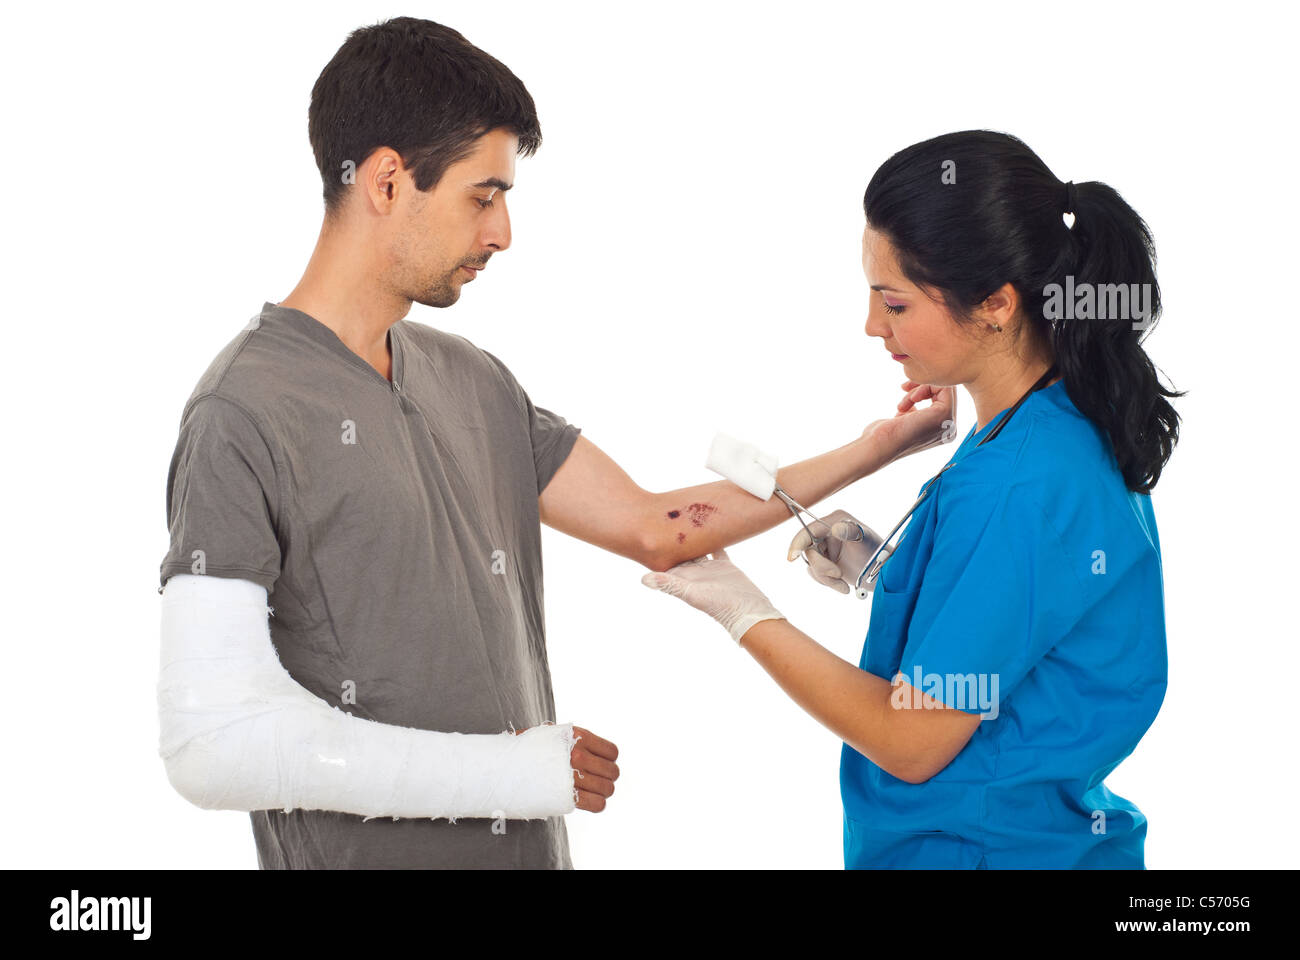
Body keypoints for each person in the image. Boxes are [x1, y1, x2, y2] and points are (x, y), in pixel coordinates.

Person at [157, 16, 945, 869]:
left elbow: (655, 525)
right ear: (386, 181)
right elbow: (214, 741)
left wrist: (877, 447)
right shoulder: (243, 410)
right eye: (482, 195)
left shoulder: (473, 381)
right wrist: (502, 775)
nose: (501, 234)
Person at [641, 130, 1181, 869]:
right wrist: (885, 564)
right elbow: (1014, 619)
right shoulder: (1044, 418)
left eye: (893, 303)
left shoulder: (1022, 485)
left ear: (995, 303)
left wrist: (746, 613)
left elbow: (912, 742)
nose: (872, 326)